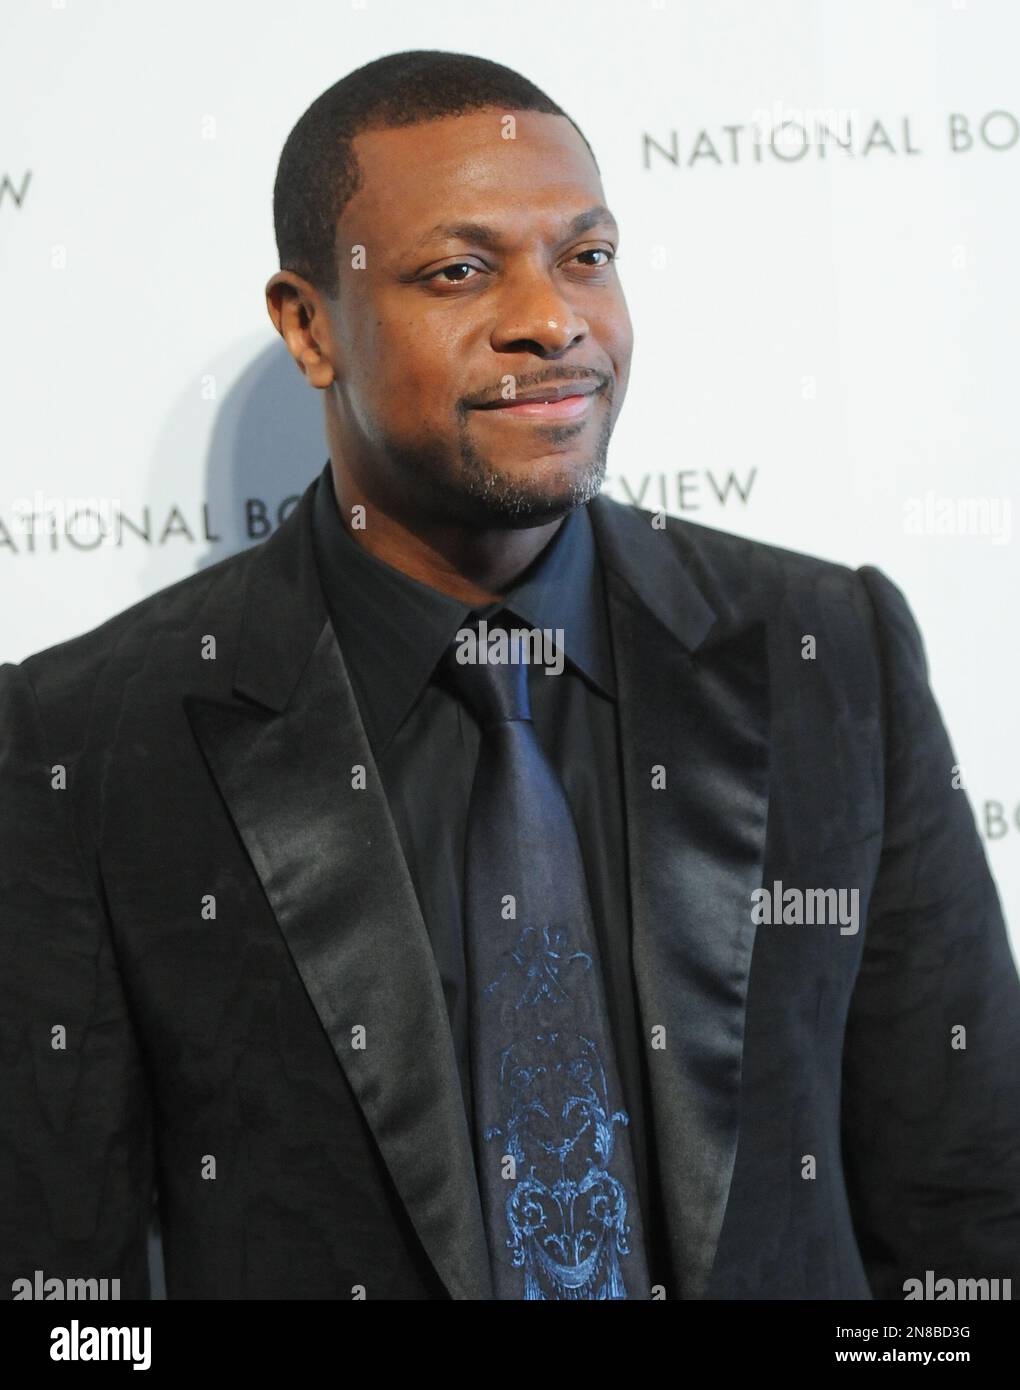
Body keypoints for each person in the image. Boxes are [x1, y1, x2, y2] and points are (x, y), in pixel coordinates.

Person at [2, 49, 1018, 1302]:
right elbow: (59, 1295)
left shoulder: (828, 648)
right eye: (462, 270)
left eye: (586, 255)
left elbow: (968, 1200)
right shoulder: (92, 736)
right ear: (310, 324)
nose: (556, 317)